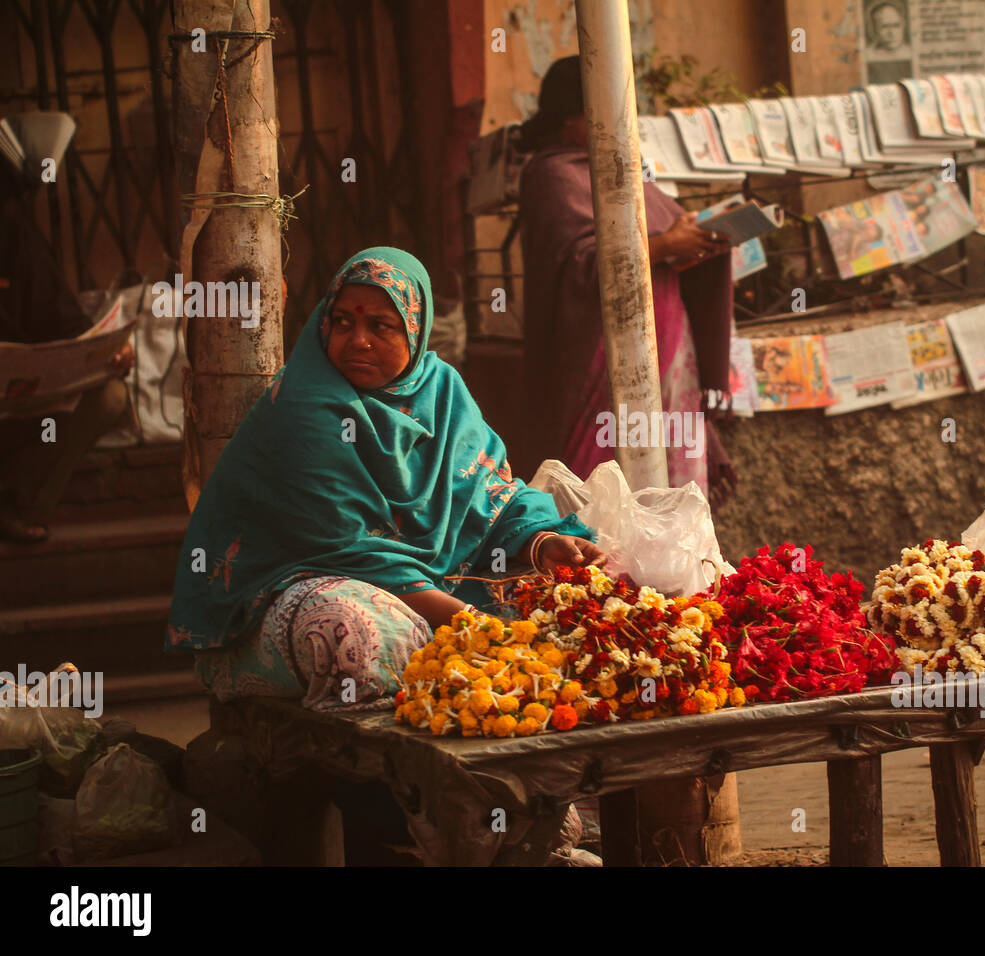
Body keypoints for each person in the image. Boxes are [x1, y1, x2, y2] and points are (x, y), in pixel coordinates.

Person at [166, 246, 605, 711]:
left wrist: (541, 541)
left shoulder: (441, 391)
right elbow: (352, 553)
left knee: (578, 597)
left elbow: (491, 494)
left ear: (415, 331)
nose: (358, 340)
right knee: (354, 632)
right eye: (342, 323)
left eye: (380, 326)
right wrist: (482, 628)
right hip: (291, 593)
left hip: (434, 585)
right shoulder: (305, 408)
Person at [518, 55, 740, 509]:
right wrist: (665, 244)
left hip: (666, 346)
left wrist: (692, 240)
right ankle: (599, 579)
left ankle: (672, 573)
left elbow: (660, 232)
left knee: (670, 486)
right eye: (599, 112)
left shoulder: (619, 168)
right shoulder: (551, 174)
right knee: (604, 486)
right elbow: (580, 264)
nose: (618, 124)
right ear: (568, 116)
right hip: (602, 358)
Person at [0, 163, 135, 542]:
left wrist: (110, 353)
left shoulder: (12, 235)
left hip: (22, 408)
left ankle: (19, 502)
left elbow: (62, 320)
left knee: (108, 397)